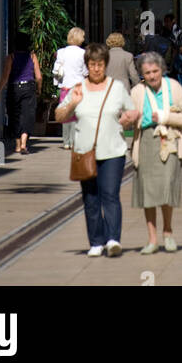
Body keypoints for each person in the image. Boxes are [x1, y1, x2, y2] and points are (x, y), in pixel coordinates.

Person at [55, 42, 139, 257]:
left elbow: (131, 113)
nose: (96, 69)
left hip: (113, 151)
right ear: (87, 65)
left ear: (105, 65)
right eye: (92, 64)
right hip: (85, 152)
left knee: (110, 195)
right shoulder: (78, 88)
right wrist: (72, 103)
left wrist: (127, 120)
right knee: (91, 198)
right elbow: (59, 116)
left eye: (100, 64)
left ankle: (112, 239)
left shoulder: (116, 87)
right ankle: (96, 241)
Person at [130, 52, 182, 253]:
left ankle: (168, 232)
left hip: (170, 141)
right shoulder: (137, 92)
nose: (152, 76)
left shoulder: (173, 87)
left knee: (167, 187)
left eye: (155, 71)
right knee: (147, 191)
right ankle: (152, 239)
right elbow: (128, 121)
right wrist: (129, 120)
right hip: (146, 141)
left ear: (162, 70)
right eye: (147, 72)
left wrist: (166, 117)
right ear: (142, 73)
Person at [0, 31, 42, 155]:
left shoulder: (11, 57)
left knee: (14, 115)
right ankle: (24, 143)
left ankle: (17, 145)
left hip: (14, 88)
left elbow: (5, 77)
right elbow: (38, 77)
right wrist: (39, 89)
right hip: (29, 87)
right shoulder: (32, 56)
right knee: (27, 115)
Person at [53, 27, 87, 148]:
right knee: (76, 114)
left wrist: (56, 83)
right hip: (78, 86)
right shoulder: (83, 53)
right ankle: (74, 141)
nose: (83, 39)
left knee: (65, 113)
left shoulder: (61, 52)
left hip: (65, 86)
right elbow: (85, 71)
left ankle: (66, 141)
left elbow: (56, 70)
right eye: (82, 36)